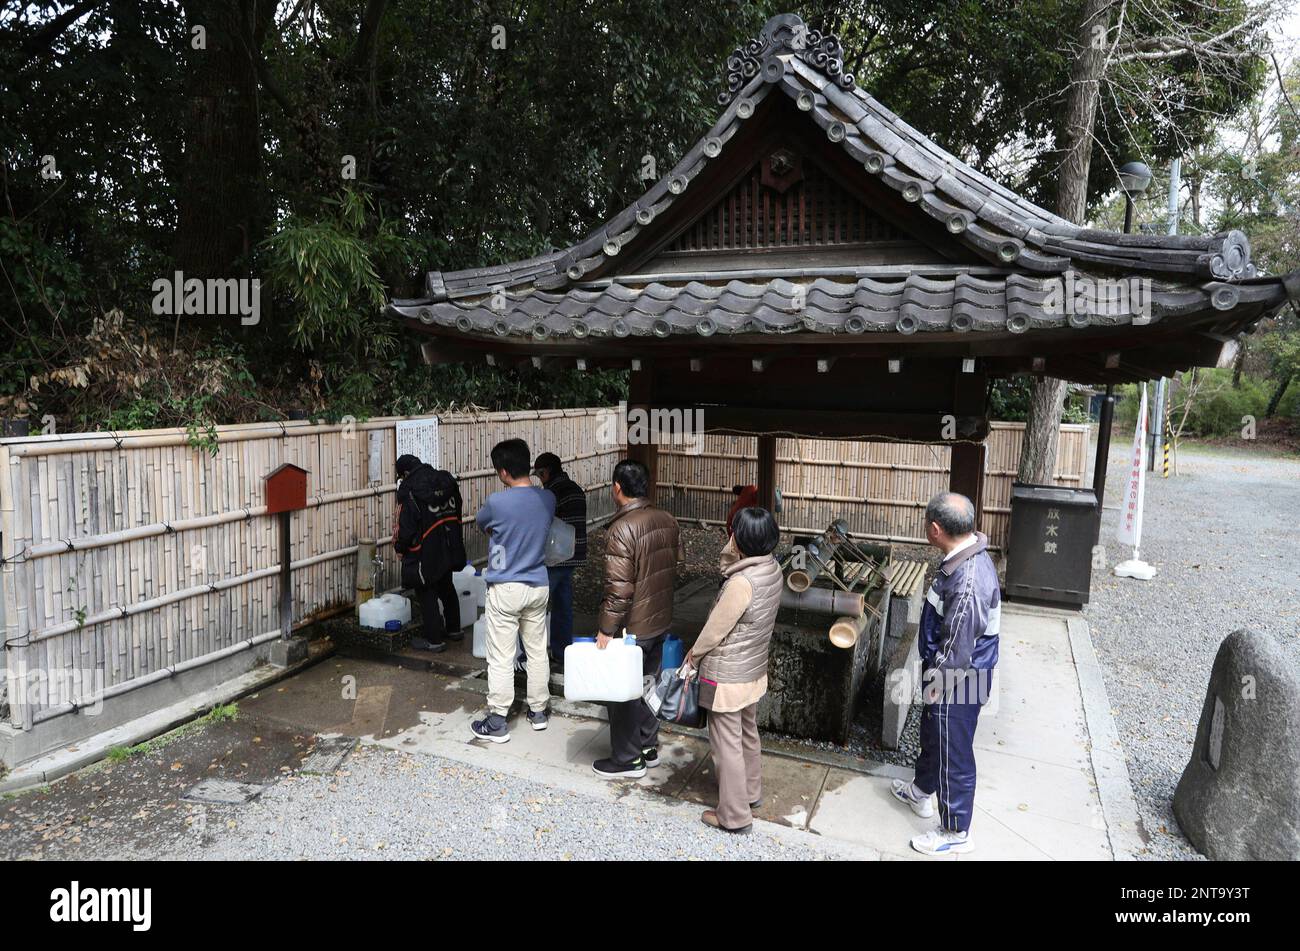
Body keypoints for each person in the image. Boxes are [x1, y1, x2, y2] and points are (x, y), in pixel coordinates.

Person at [890, 491, 1001, 856]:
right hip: (950, 675)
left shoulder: (967, 581)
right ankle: (921, 791)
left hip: (959, 681)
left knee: (954, 752)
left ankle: (955, 830)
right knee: (934, 734)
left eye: (926, 525)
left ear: (935, 529)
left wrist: (935, 681)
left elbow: (956, 648)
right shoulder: (963, 555)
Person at [686, 506, 782, 834]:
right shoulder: (772, 569)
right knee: (747, 733)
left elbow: (715, 628)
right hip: (752, 669)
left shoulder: (741, 582)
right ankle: (750, 793)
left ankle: (734, 815)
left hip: (727, 675)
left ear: (739, 539)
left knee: (726, 744)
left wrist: (694, 655)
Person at [592, 459, 680, 779]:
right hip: (660, 619)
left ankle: (628, 759)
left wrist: (606, 628)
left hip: (633, 626)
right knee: (647, 685)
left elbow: (619, 590)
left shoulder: (622, 529)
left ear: (617, 488)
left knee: (622, 693)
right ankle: (647, 745)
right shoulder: (667, 520)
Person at [469, 438, 556, 743]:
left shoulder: (497, 502)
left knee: (502, 656)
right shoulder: (547, 499)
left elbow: (483, 525)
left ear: (503, 472)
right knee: (536, 651)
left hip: (506, 587)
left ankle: (497, 720)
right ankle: (539, 711)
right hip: (538, 585)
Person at [393, 454, 466, 653]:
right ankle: (454, 630)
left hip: (424, 550)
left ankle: (434, 641)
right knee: (446, 585)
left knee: (426, 592)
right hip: (449, 543)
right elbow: (458, 509)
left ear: (405, 473)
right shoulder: (445, 480)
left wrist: (400, 548)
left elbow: (406, 526)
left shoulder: (409, 489)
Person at [532, 451, 587, 664]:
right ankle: (561, 651)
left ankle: (530, 656)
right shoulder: (575, 489)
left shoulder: (550, 494)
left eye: (539, 474)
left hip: (556, 558)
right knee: (563, 606)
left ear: (545, 472)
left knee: (536, 606)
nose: (539, 478)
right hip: (574, 555)